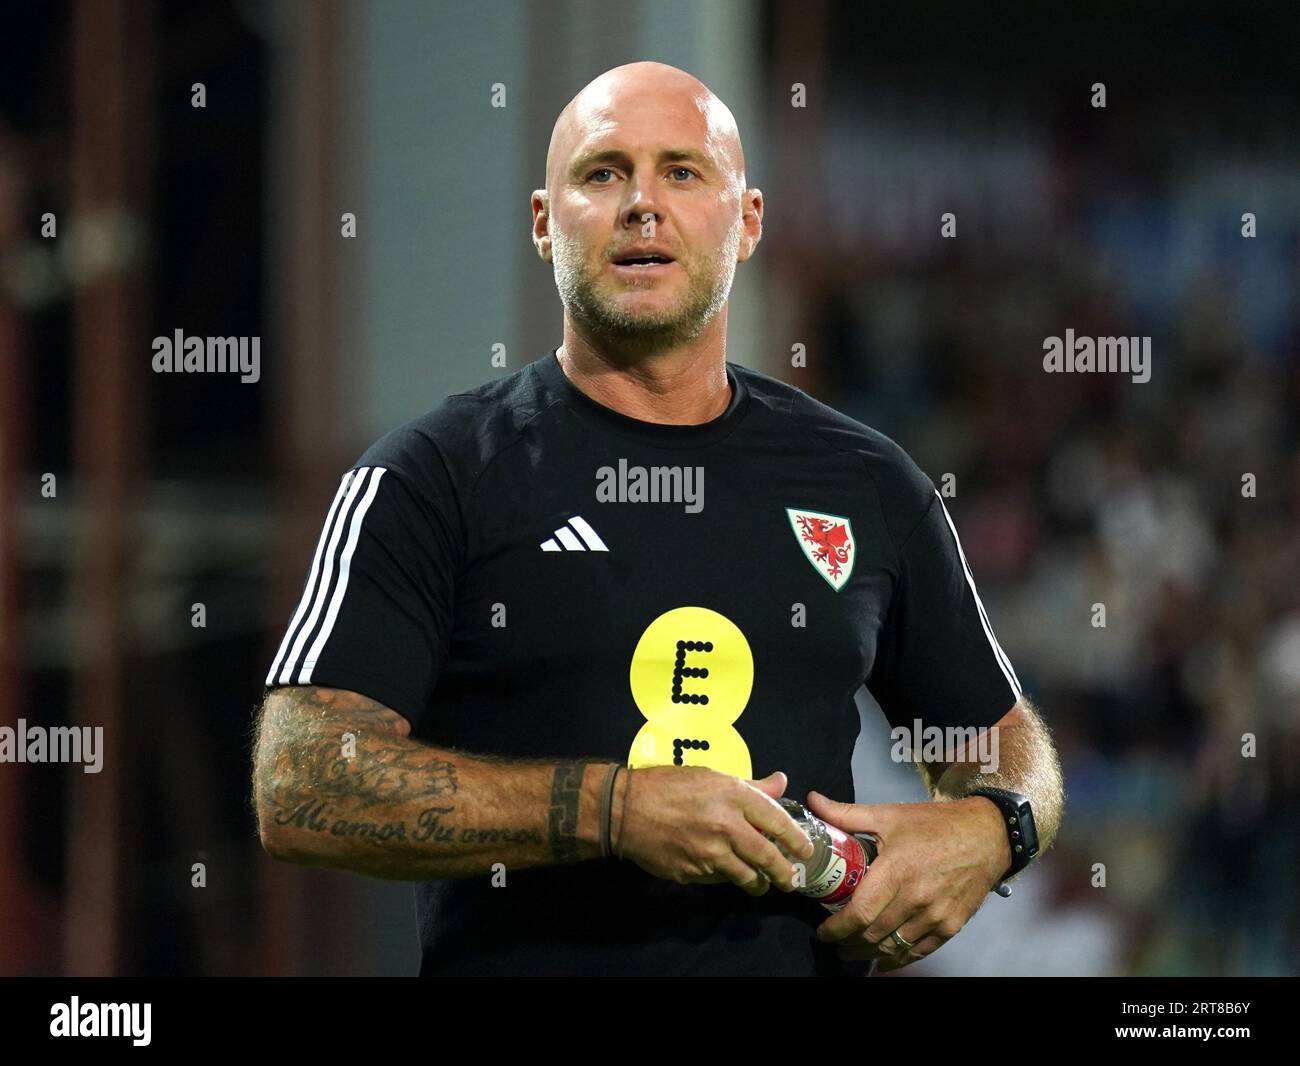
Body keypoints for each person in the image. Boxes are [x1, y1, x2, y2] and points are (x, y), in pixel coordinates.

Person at [252, 61, 1063, 977]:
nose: (643, 203)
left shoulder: (866, 480)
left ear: (747, 220)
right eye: (602, 174)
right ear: (542, 222)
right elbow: (301, 781)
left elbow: (1002, 739)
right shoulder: (429, 477)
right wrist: (613, 811)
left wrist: (995, 827)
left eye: (683, 171)